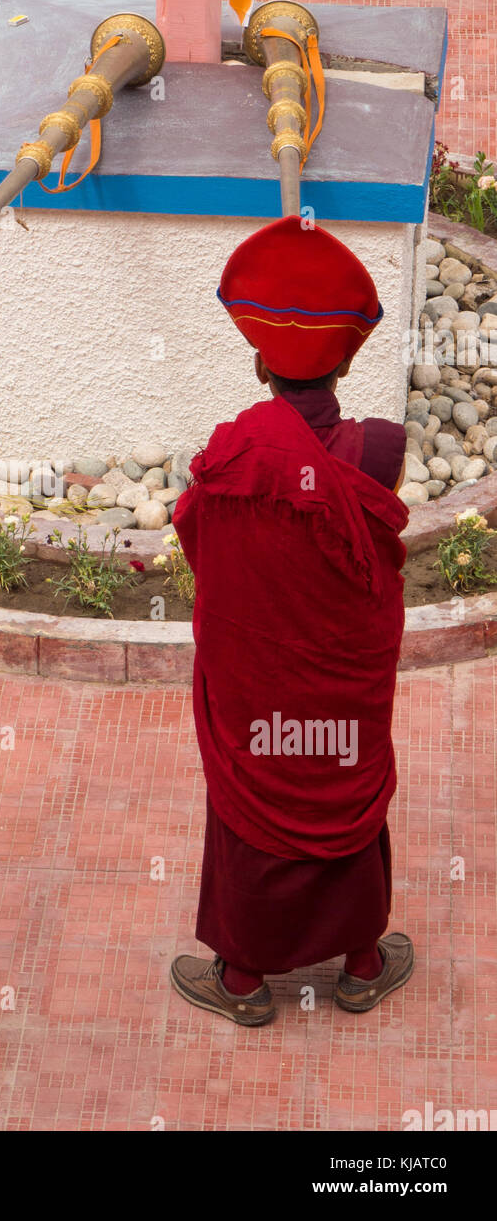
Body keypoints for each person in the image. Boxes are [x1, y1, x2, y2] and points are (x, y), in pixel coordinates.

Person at [169, 215, 414, 1026]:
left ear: (255, 361)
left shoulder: (233, 454)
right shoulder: (379, 450)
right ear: (347, 359)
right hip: (342, 679)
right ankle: (361, 964)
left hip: (258, 682)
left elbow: (194, 532)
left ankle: (241, 980)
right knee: (341, 782)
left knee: (257, 795)